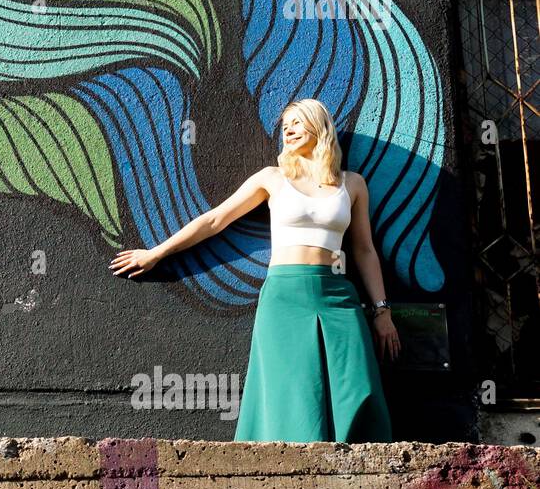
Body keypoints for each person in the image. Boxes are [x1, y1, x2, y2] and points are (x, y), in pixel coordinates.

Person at [109, 98, 400, 442]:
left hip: (337, 295)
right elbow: (215, 220)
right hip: (285, 297)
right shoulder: (273, 178)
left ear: (320, 126)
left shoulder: (352, 184)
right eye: (286, 125)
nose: (289, 130)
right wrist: (156, 253)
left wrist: (382, 312)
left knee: (357, 385)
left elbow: (364, 250)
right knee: (294, 391)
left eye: (297, 122)